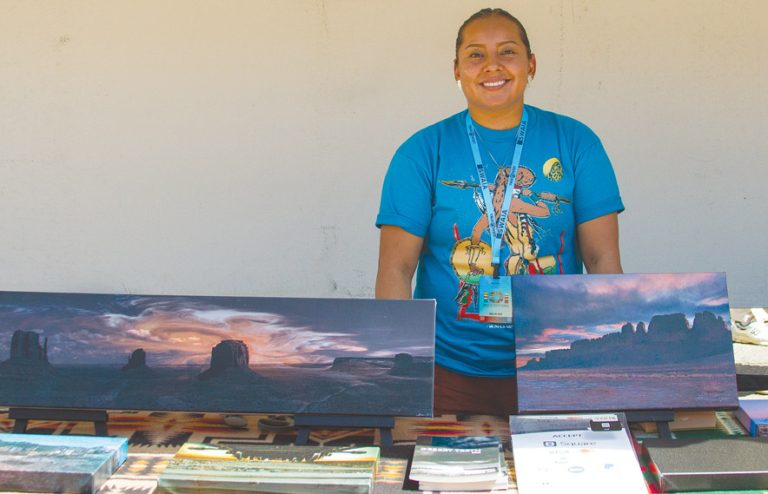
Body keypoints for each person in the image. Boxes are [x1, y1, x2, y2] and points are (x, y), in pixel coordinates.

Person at [375, 8, 624, 416]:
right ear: (457, 70)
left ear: (531, 65)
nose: (492, 65)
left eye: (507, 52)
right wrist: (405, 367)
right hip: (447, 370)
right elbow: (395, 270)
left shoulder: (577, 142)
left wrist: (610, 362)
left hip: (553, 364)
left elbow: (602, 260)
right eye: (475, 55)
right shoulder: (421, 151)